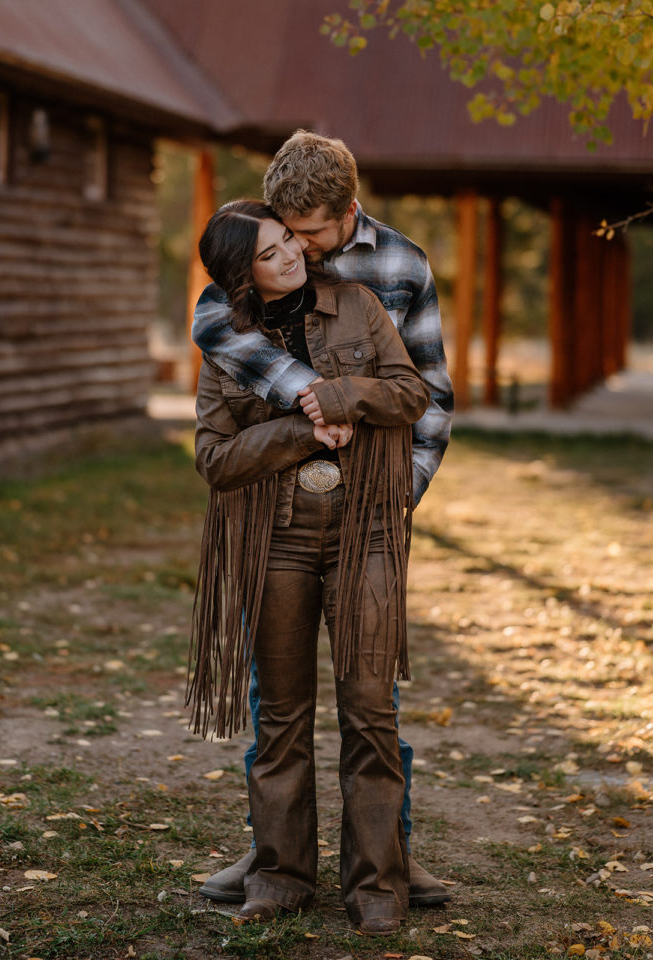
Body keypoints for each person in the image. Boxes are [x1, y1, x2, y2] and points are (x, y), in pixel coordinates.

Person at [194, 131, 453, 908]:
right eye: (279, 236)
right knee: (273, 699)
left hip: (368, 509)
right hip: (279, 517)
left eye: (305, 235)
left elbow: (428, 395)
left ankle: (385, 862)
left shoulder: (398, 270)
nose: (295, 251)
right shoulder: (251, 265)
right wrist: (310, 406)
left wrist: (397, 491)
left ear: (344, 215)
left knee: (372, 699)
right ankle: (275, 858)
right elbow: (216, 338)